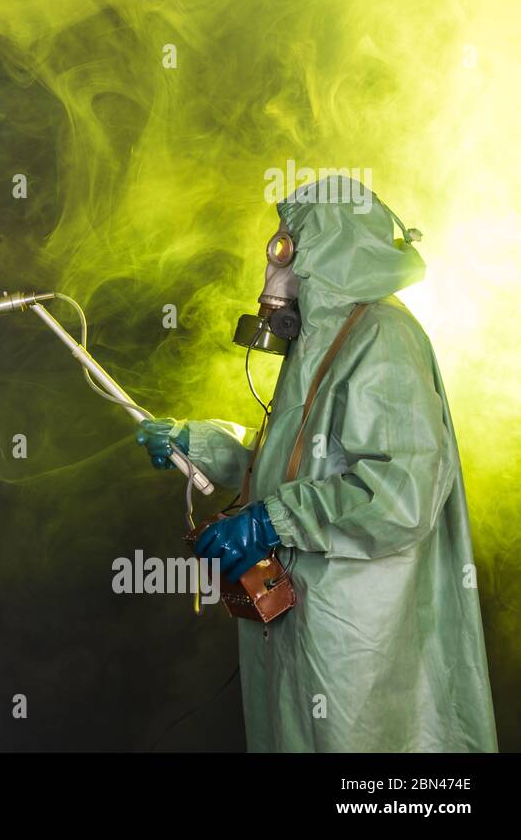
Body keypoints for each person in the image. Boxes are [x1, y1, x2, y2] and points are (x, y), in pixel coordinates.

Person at [135, 176, 497, 752]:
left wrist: (268, 522)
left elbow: (400, 494)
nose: (276, 262)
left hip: (358, 633)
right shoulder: (321, 340)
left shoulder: (383, 338)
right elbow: (300, 462)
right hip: (305, 621)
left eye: (287, 245)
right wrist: (197, 443)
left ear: (329, 247)